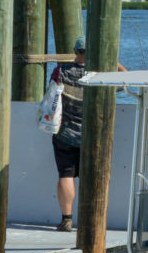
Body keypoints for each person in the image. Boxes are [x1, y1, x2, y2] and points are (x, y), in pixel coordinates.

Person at [50, 36, 127, 232]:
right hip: (93, 134)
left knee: (66, 174)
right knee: (93, 175)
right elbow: (126, 80)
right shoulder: (100, 75)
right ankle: (92, 219)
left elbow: (51, 93)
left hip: (65, 132)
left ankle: (66, 219)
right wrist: (114, 62)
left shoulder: (61, 71)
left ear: (75, 51)